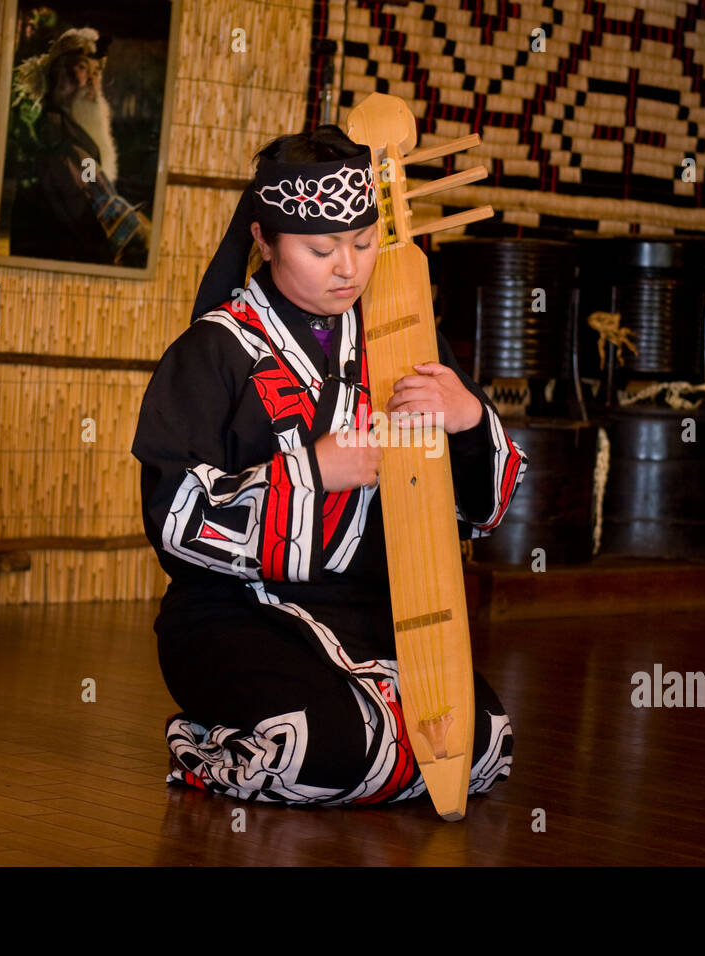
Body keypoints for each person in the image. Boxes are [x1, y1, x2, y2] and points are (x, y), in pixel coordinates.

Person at [130, 125, 529, 806]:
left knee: (481, 743)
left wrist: (466, 419)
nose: (348, 267)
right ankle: (205, 747)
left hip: (369, 614)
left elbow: (478, 511)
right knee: (326, 747)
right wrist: (310, 471)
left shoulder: (398, 332)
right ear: (262, 241)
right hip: (234, 616)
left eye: (365, 243)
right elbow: (172, 518)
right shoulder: (213, 350)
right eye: (320, 249)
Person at [8, 27, 150, 266]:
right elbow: (112, 215)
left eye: (96, 71)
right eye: (83, 67)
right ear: (56, 76)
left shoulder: (74, 134)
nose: (92, 80)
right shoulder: (60, 142)